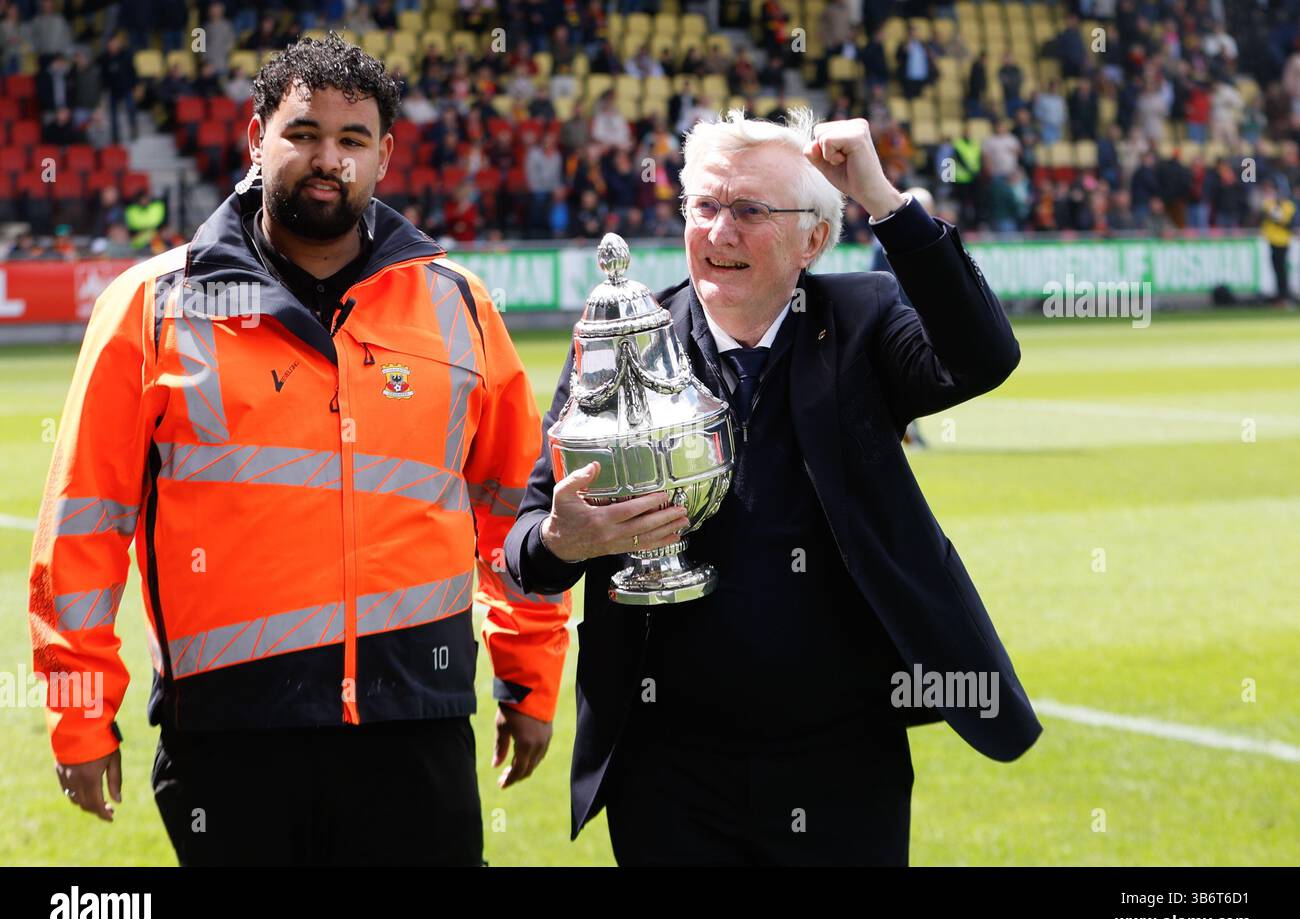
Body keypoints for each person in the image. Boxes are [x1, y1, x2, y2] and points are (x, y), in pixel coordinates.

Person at [29, 32, 569, 866]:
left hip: (415, 727)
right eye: (304, 133)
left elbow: (512, 507)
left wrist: (528, 674)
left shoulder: (460, 307)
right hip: (229, 742)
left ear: (385, 155)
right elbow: (81, 532)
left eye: (352, 141)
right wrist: (77, 713)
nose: (329, 159)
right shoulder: (151, 307)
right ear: (256, 139)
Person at [504, 109, 1042, 866]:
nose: (719, 232)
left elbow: (981, 356)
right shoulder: (628, 338)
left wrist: (886, 201)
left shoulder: (860, 317)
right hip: (669, 767)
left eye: (751, 210)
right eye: (704, 206)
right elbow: (526, 546)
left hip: (844, 759)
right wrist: (565, 540)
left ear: (813, 240)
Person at [1260, 178, 1296, 304]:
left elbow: (1287, 223)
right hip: (1272, 241)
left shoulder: (1288, 206)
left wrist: (1276, 217)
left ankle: (1284, 296)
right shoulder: (1270, 203)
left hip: (1283, 242)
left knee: (1281, 271)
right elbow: (1265, 215)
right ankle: (1281, 296)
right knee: (1277, 270)